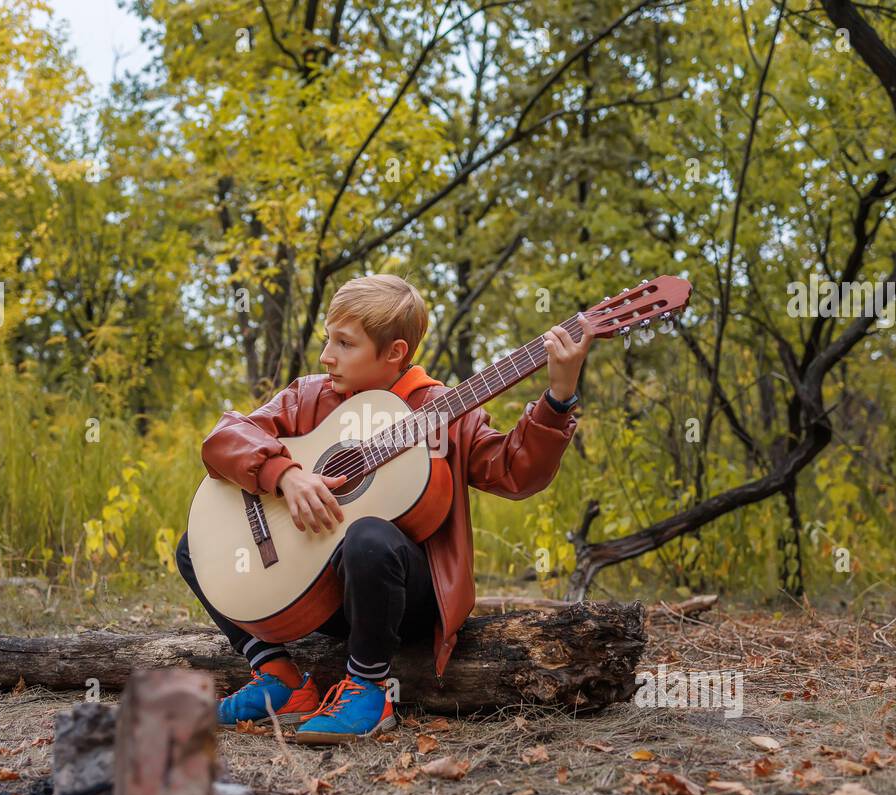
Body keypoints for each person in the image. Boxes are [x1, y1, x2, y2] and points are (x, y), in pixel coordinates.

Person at [177, 273, 591, 744]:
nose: (325, 356)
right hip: (318, 591)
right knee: (196, 548)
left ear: (394, 352)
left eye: (344, 343)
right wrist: (286, 475)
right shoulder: (309, 396)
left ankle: (368, 691)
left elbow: (516, 473)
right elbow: (225, 439)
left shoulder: (442, 411)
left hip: (402, 596)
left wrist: (558, 399)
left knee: (368, 536)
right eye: (327, 339)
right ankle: (279, 681)